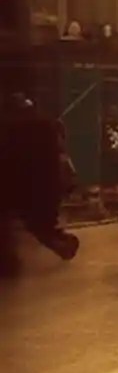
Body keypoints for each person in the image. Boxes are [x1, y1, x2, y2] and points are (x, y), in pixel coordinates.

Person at [0, 91, 80, 276]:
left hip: (17, 184)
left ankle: (9, 263)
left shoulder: (8, 128)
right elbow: (58, 156)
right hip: (43, 186)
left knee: (17, 224)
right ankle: (62, 243)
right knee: (39, 226)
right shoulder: (46, 125)